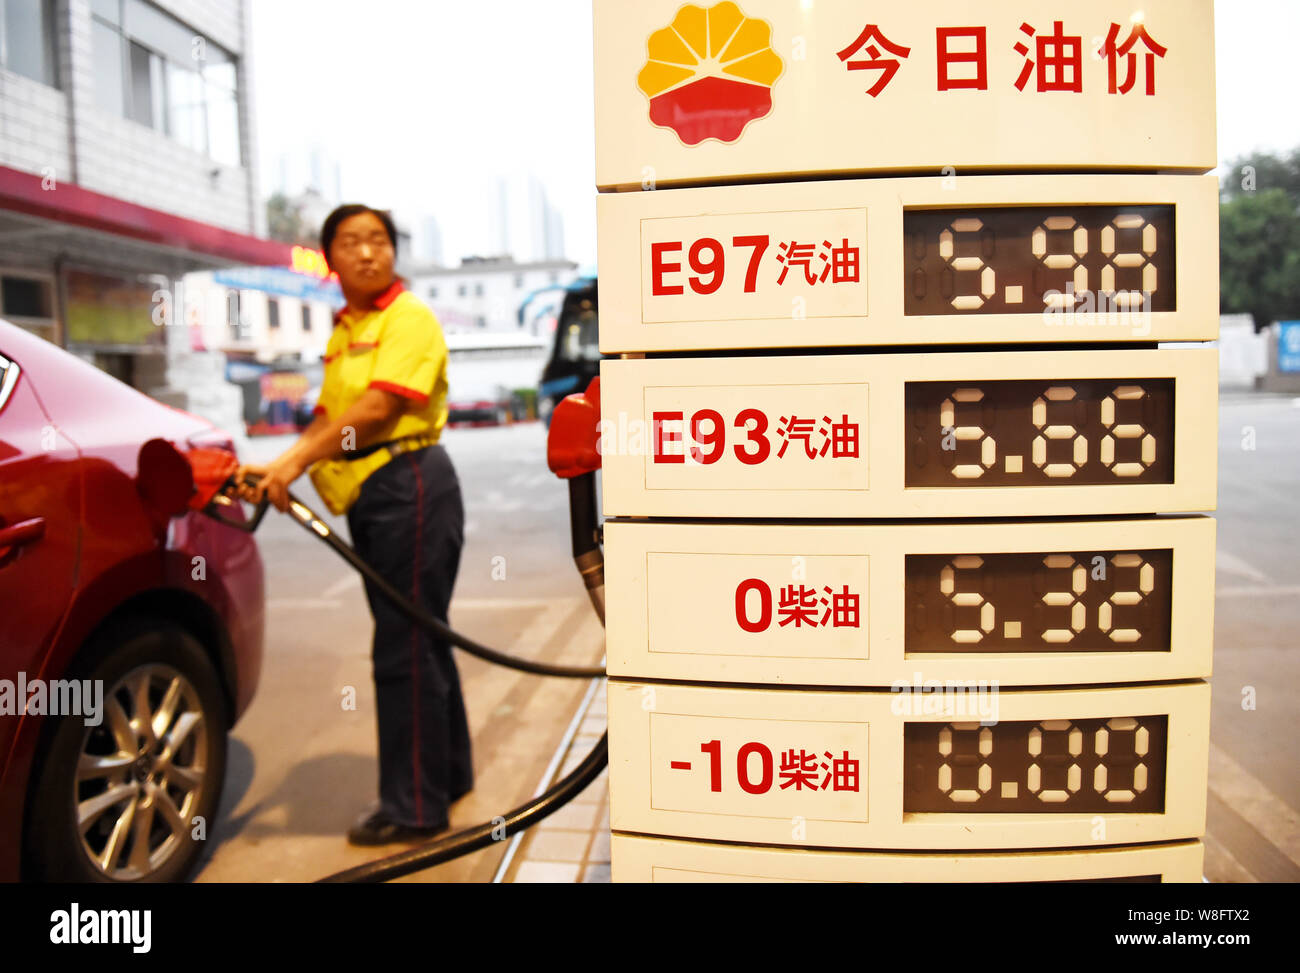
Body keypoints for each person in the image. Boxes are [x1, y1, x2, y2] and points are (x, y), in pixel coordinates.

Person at [239, 203, 473, 844]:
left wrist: (297, 462)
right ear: (329, 258)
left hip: (410, 485)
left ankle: (413, 808)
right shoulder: (349, 328)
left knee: (405, 647)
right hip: (376, 493)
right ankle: (446, 777)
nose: (369, 252)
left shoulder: (408, 318)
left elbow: (374, 409)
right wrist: (279, 465)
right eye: (352, 242)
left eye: (379, 241)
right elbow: (325, 418)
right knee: (422, 635)